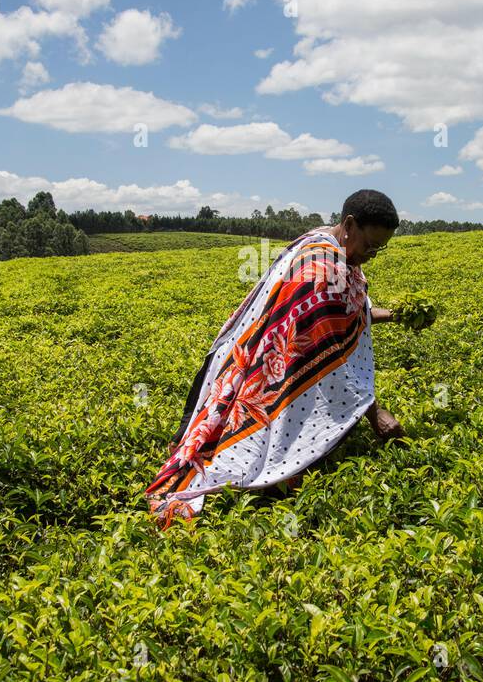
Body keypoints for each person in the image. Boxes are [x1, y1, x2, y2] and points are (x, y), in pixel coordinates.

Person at [145, 189, 405, 529]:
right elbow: (335, 351)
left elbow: (351, 312)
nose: (372, 254)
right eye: (370, 244)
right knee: (260, 451)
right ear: (350, 224)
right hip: (264, 367)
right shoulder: (321, 269)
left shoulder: (324, 244)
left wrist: (400, 315)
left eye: (380, 248)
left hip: (245, 355)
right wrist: (375, 414)